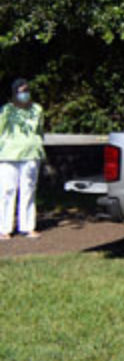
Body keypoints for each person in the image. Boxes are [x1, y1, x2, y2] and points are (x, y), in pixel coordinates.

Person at [0, 78, 45, 240]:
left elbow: (40, 130)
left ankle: (27, 227)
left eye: (26, 91)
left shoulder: (37, 109)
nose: (24, 94)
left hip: (31, 153)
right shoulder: (6, 110)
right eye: (20, 91)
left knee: (28, 190)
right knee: (7, 190)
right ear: (14, 93)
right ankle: (4, 229)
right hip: (8, 155)